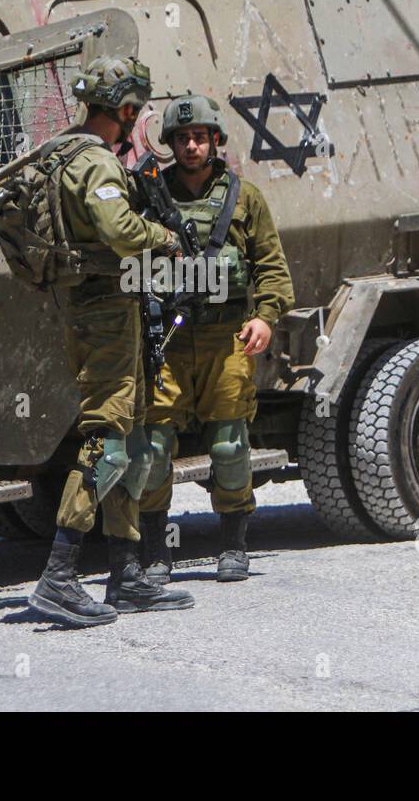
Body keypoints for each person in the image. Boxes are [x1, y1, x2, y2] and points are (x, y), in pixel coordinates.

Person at [26, 56, 195, 627]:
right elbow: (121, 232)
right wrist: (166, 237)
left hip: (112, 311)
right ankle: (60, 576)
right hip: (101, 313)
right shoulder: (94, 162)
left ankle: (127, 576)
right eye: (136, 111)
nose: (137, 121)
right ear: (123, 110)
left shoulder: (64, 151)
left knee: (135, 434)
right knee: (109, 439)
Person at [137, 95, 295, 583]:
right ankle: (156, 551)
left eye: (199, 137)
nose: (190, 146)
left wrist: (266, 317)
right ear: (169, 144)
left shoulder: (243, 198)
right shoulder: (147, 198)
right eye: (182, 138)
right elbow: (125, 265)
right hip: (166, 338)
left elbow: (273, 269)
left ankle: (233, 544)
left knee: (228, 444)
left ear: (214, 141)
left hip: (226, 338)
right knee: (155, 445)